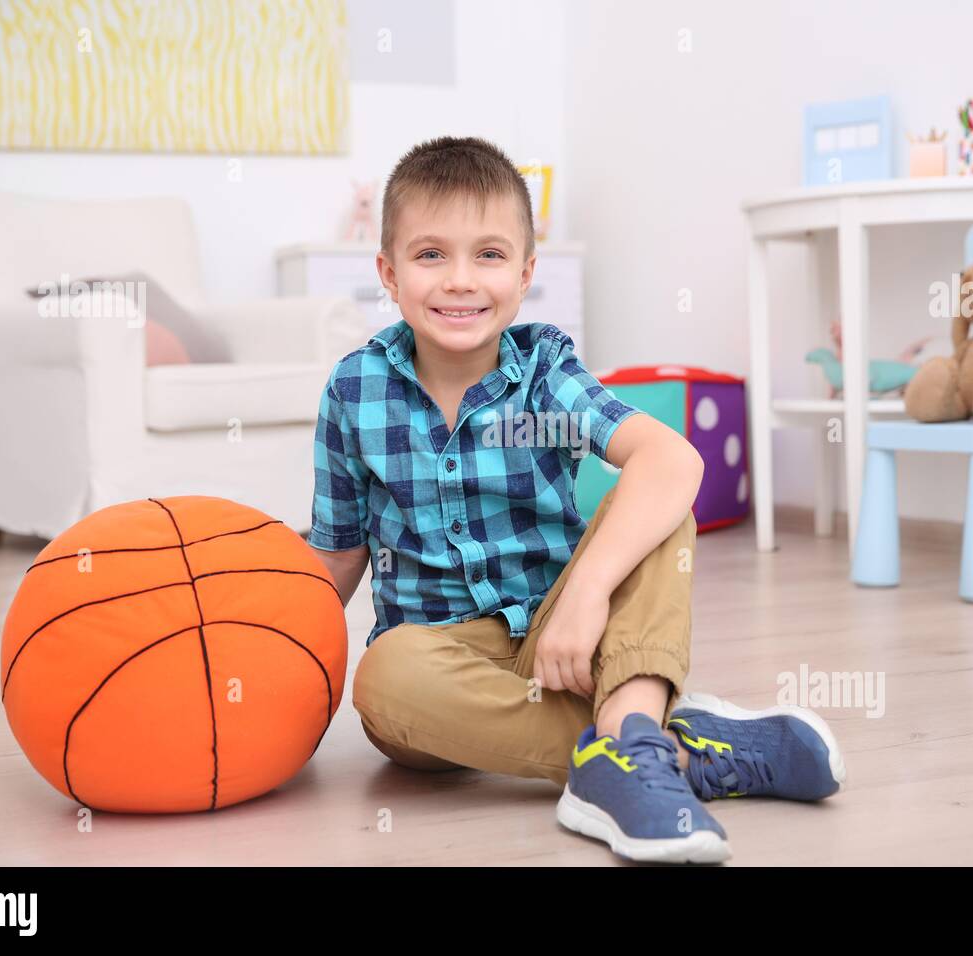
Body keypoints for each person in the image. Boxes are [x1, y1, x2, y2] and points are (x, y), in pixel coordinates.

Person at [310, 135, 844, 864]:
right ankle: (660, 747)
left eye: (489, 255)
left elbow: (670, 459)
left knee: (665, 509)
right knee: (382, 680)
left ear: (526, 274)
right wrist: (262, 664)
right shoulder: (353, 389)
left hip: (566, 641)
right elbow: (337, 553)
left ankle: (626, 752)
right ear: (388, 272)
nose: (460, 280)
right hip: (439, 672)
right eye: (431, 254)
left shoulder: (544, 371)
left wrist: (589, 593)